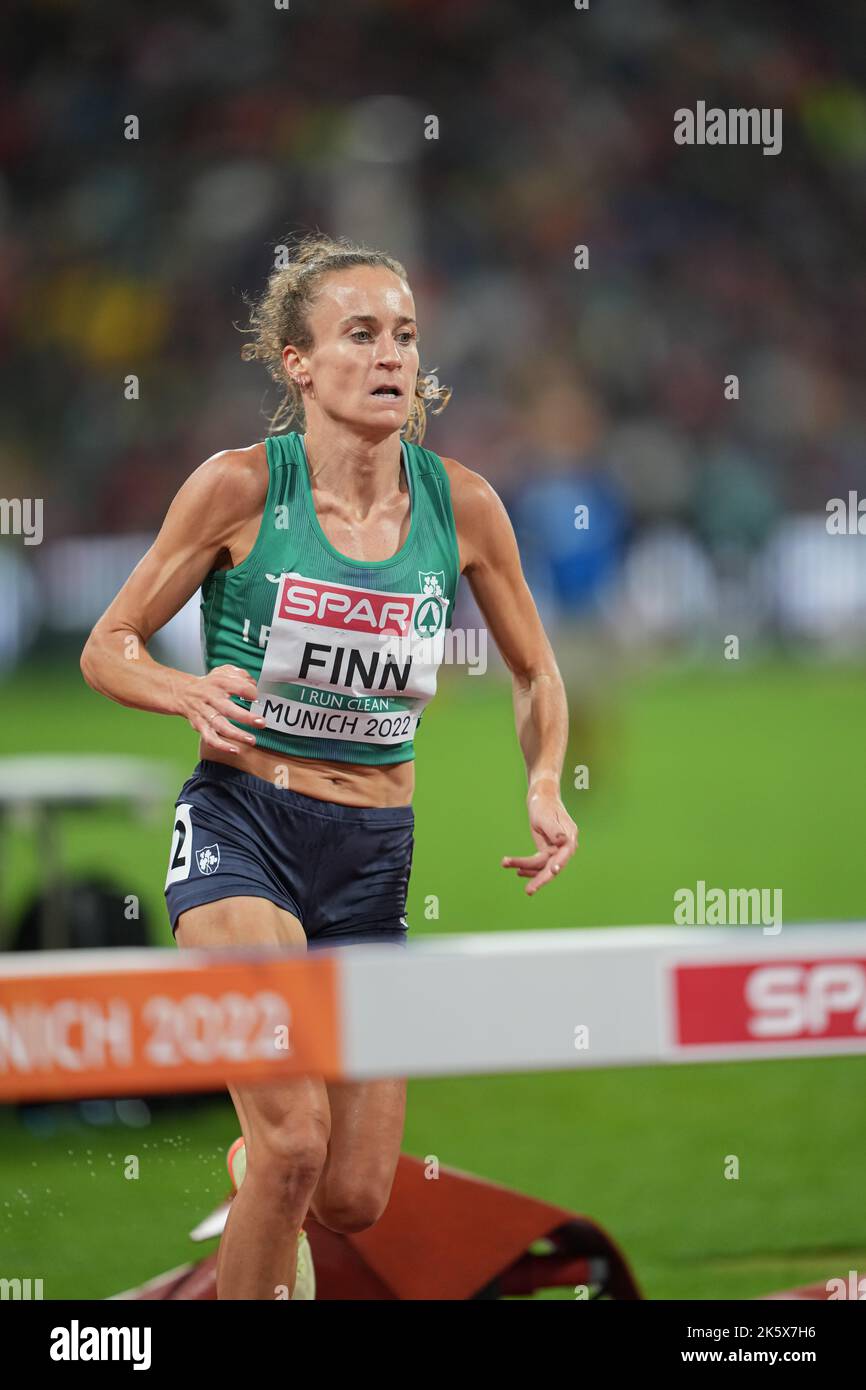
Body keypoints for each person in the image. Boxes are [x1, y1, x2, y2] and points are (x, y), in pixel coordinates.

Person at [80, 232, 578, 1299]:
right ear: (298, 363)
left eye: (403, 334)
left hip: (371, 852)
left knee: (350, 1193)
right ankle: (267, 1168)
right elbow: (106, 645)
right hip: (241, 829)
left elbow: (535, 672)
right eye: (360, 334)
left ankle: (251, 1173)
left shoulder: (464, 508)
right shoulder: (238, 488)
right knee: (297, 1140)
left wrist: (541, 783)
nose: (390, 354)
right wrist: (186, 689)